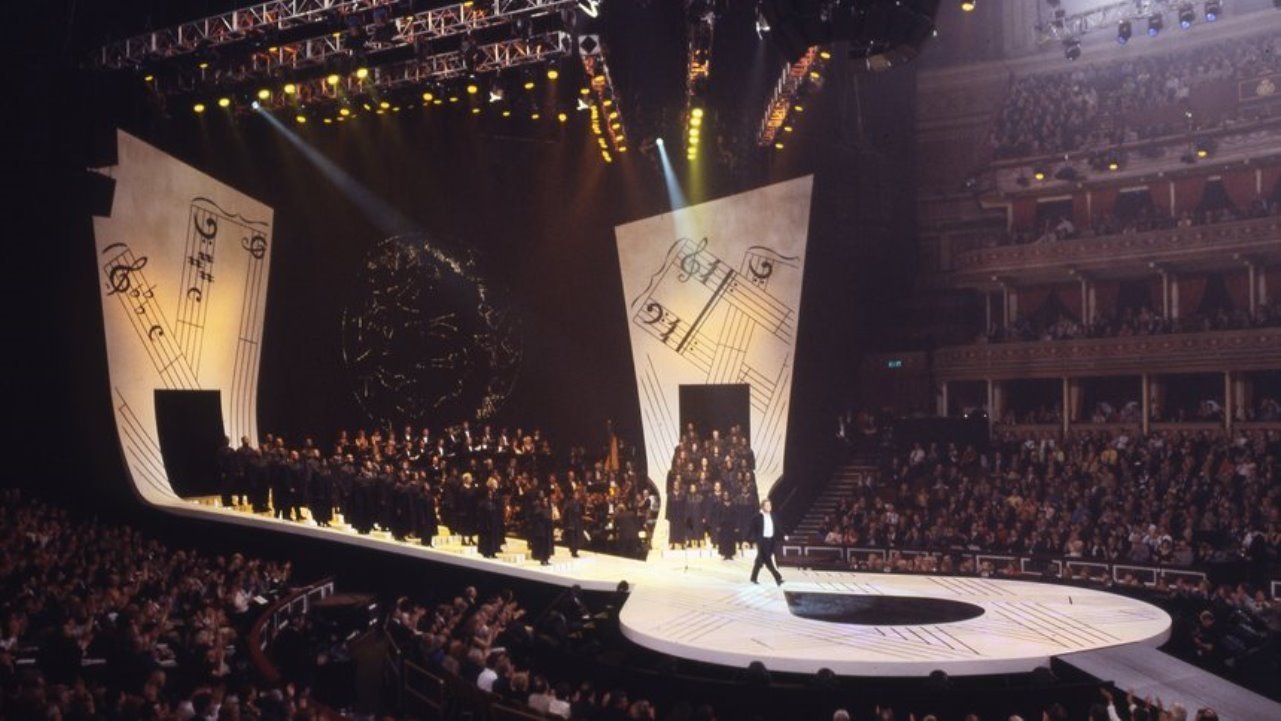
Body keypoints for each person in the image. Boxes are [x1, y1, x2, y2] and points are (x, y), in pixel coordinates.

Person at [748, 499, 783, 585]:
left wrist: (784, 534)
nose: (769, 507)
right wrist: (747, 540)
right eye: (767, 505)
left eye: (770, 505)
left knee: (760, 560)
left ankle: (753, 578)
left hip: (771, 540)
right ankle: (778, 578)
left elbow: (778, 527)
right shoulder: (757, 517)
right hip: (762, 541)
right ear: (762, 507)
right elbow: (751, 529)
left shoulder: (773, 516)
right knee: (767, 559)